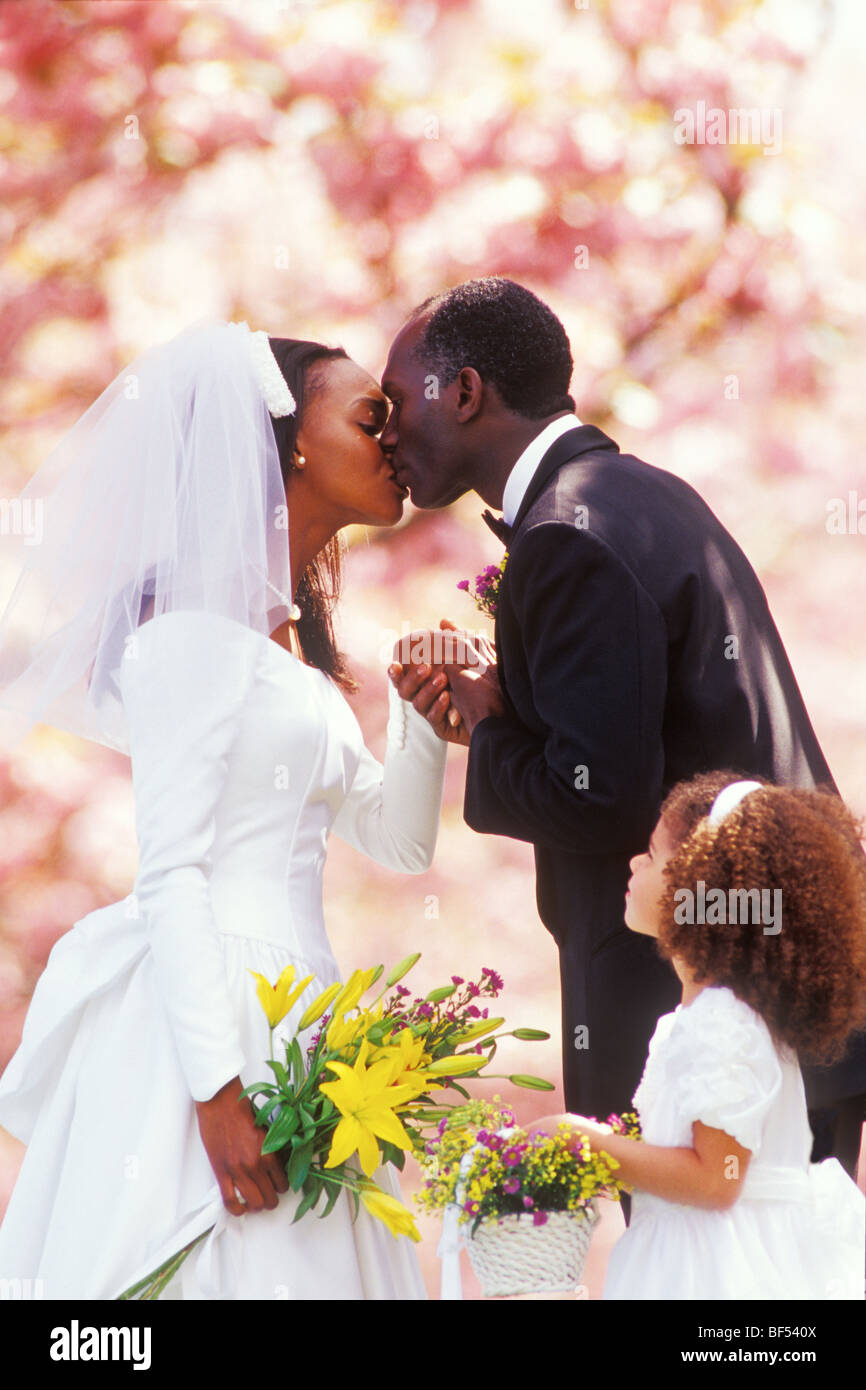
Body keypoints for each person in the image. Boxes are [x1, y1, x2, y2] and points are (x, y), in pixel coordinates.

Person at [380, 276, 866, 1193]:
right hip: (786, 987)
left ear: (468, 392)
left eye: (398, 402)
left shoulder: (567, 534)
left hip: (707, 1008)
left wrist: (487, 728)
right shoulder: (632, 496)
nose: (388, 433)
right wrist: (510, 710)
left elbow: (596, 796)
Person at [0, 318, 452, 1299]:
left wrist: (419, 709)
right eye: (369, 416)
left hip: (305, 1015)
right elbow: (171, 873)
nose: (393, 441)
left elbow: (397, 840)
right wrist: (214, 1093)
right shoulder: (195, 636)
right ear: (286, 438)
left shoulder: (294, 657)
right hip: (209, 1021)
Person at [528, 772, 866, 1299]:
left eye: (652, 854)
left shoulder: (724, 1022)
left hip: (724, 1272)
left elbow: (715, 1179)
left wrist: (587, 1144)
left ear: (700, 889)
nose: (635, 864)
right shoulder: (703, 1016)